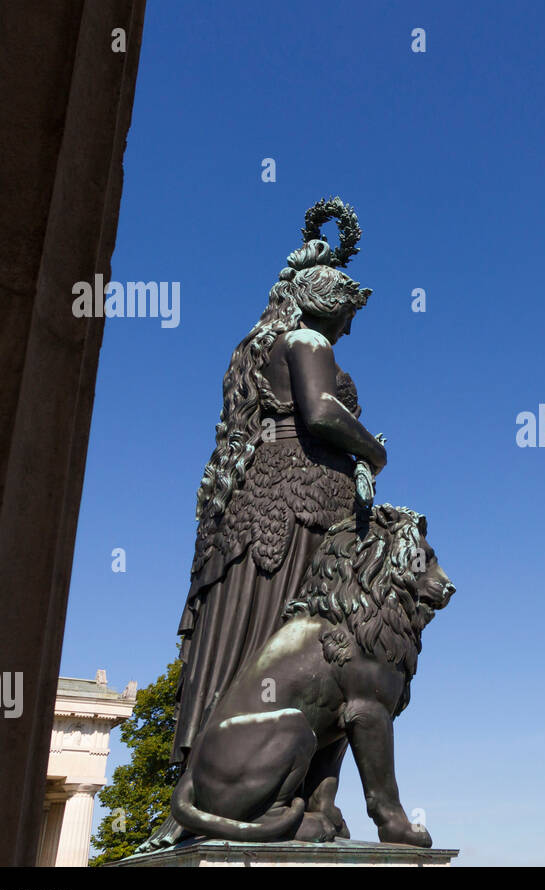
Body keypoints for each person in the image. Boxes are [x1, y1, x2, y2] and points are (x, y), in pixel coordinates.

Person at [141, 236, 384, 850]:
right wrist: (375, 447)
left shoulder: (262, 347)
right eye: (349, 310)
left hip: (280, 503)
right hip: (297, 508)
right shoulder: (307, 342)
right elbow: (323, 413)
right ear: (324, 302)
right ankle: (259, 792)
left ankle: (297, 801)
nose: (350, 327)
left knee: (277, 648)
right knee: (295, 647)